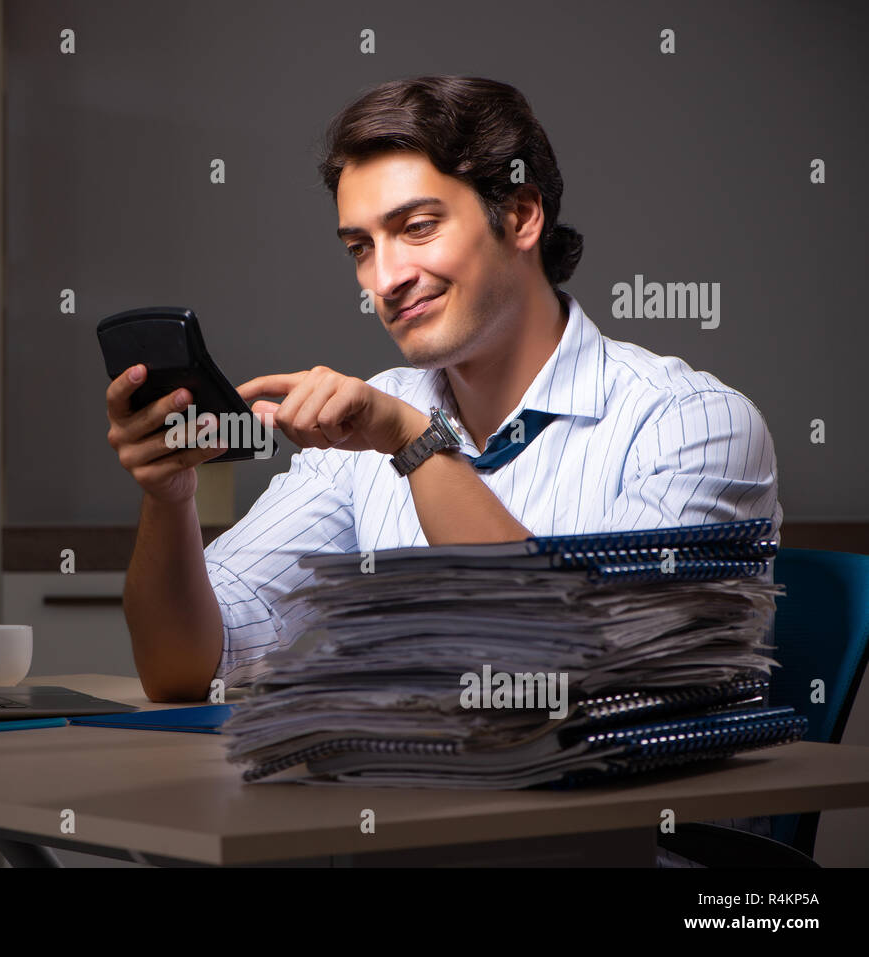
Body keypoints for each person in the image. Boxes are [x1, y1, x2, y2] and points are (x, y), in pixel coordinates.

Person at [105, 75, 781, 705]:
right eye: (360, 247)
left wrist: (415, 443)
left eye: (417, 227)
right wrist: (169, 500)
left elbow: (574, 674)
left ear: (519, 216)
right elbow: (187, 670)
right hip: (407, 817)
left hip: (626, 831)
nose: (383, 278)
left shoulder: (692, 423)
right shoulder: (370, 424)